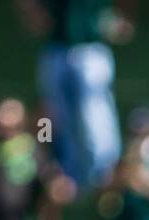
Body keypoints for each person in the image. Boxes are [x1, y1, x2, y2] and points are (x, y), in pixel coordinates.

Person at [21, 0, 122, 193]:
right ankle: (65, 173)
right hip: (56, 46)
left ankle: (105, 173)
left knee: (94, 113)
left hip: (91, 45)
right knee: (54, 113)